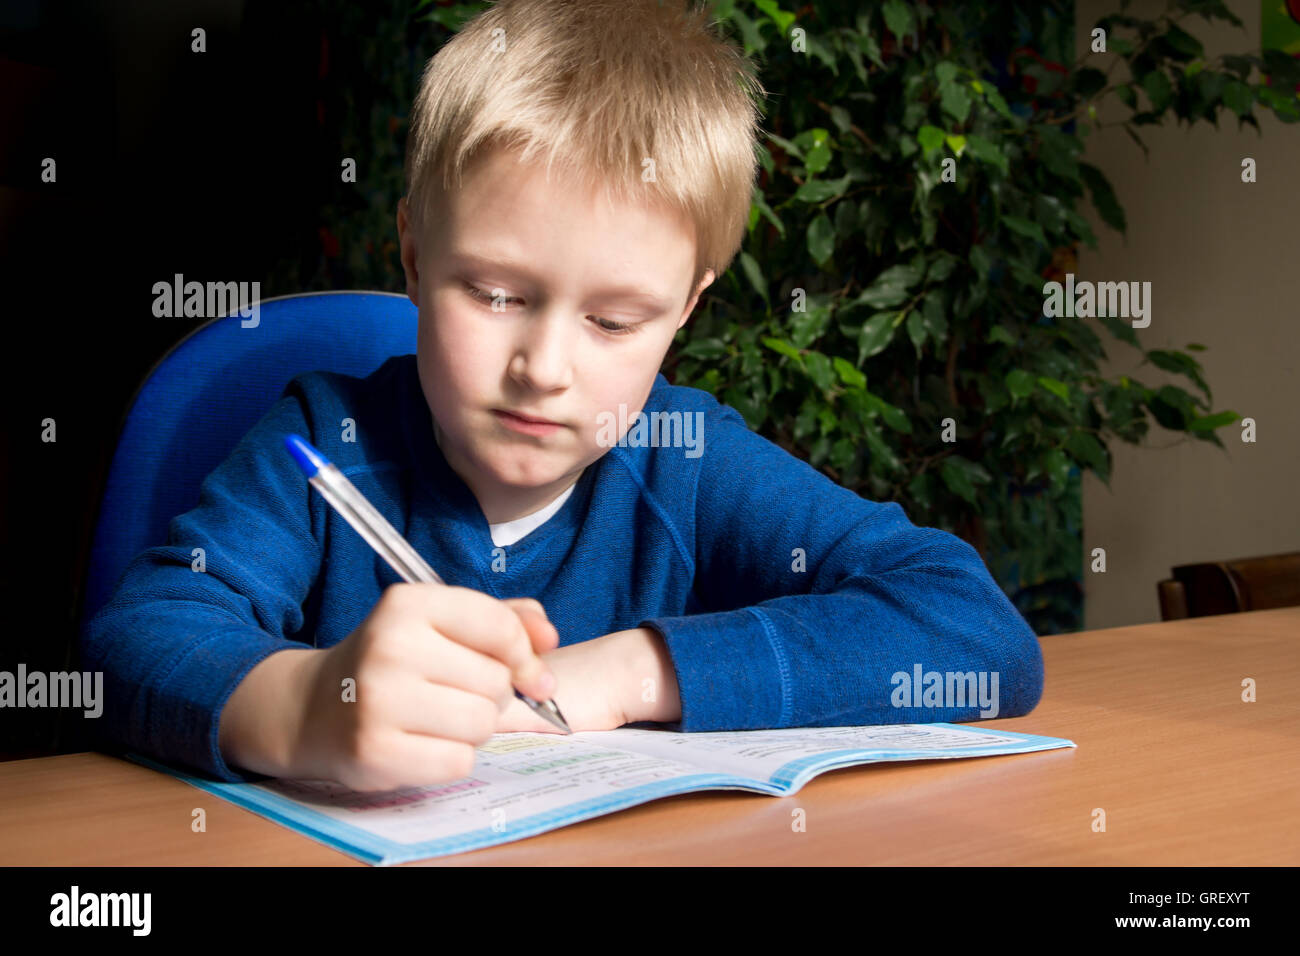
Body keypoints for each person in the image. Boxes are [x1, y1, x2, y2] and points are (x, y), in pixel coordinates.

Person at [82, 0, 1043, 793]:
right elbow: (138, 632)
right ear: (414, 256)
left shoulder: (685, 457)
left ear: (686, 311)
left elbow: (972, 623)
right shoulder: (323, 442)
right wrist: (300, 707)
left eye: (617, 322)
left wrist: (631, 672)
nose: (544, 366)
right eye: (496, 295)